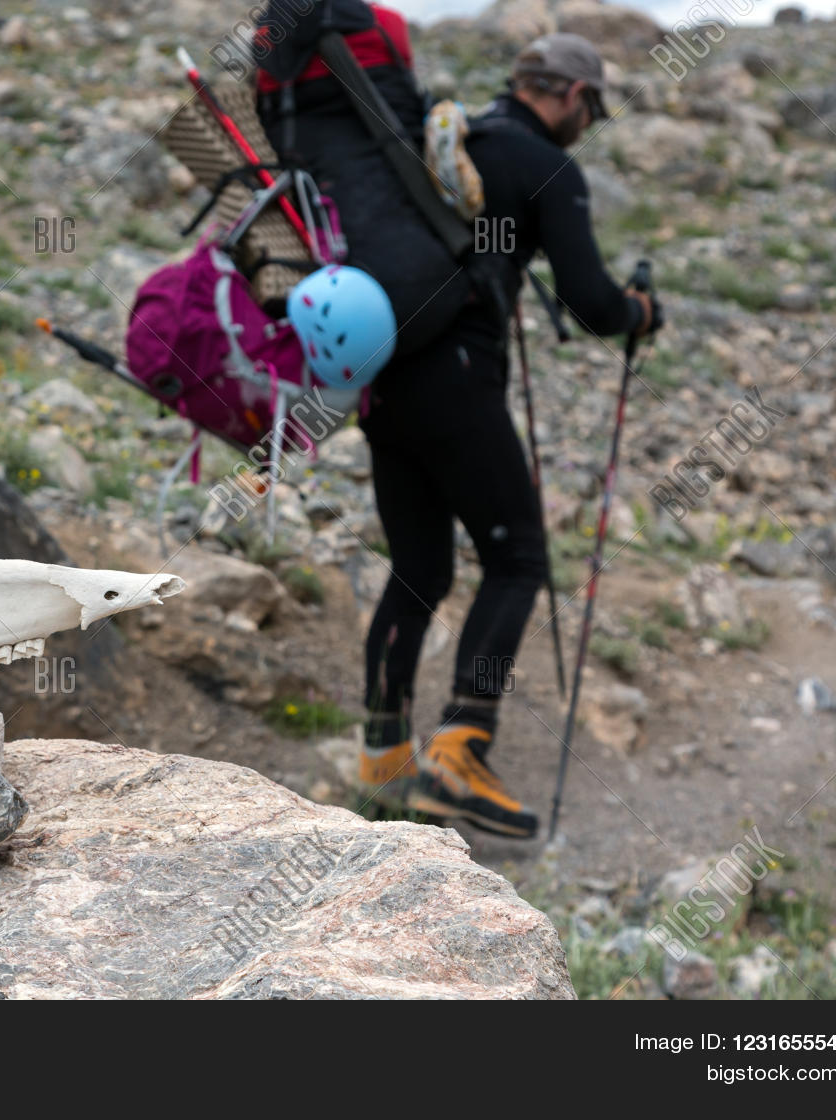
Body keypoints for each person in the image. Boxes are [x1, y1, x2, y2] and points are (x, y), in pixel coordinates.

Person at [355, 32, 658, 839]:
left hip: (382, 377)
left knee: (419, 567)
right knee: (517, 558)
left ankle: (384, 762)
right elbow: (592, 302)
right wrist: (639, 313)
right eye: (588, 108)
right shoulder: (545, 166)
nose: (586, 124)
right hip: (457, 378)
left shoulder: (448, 144)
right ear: (566, 94)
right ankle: (459, 751)